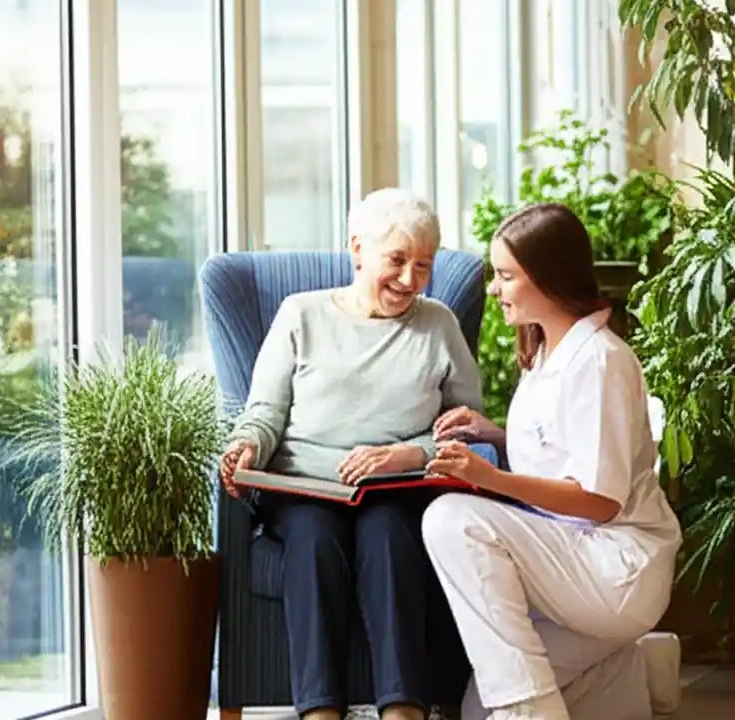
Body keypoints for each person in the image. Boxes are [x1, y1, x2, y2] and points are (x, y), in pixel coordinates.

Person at [220, 188, 484, 720]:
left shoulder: (438, 327)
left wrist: (406, 454)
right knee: (314, 541)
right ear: (357, 248)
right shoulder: (301, 315)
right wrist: (246, 445)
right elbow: (265, 412)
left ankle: (404, 709)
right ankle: (320, 712)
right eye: (397, 260)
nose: (410, 280)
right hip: (305, 486)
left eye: (423, 266)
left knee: (388, 539)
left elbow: (467, 434)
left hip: (397, 488)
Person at [419, 202, 683, 720]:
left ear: (547, 277)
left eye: (505, 275)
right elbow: (563, 445)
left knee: (452, 520)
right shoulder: (546, 350)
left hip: (614, 568)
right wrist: (490, 430)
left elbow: (600, 501)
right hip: (580, 567)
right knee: (476, 711)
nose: (494, 289)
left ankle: (528, 712)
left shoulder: (601, 361)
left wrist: (491, 478)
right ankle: (642, 666)